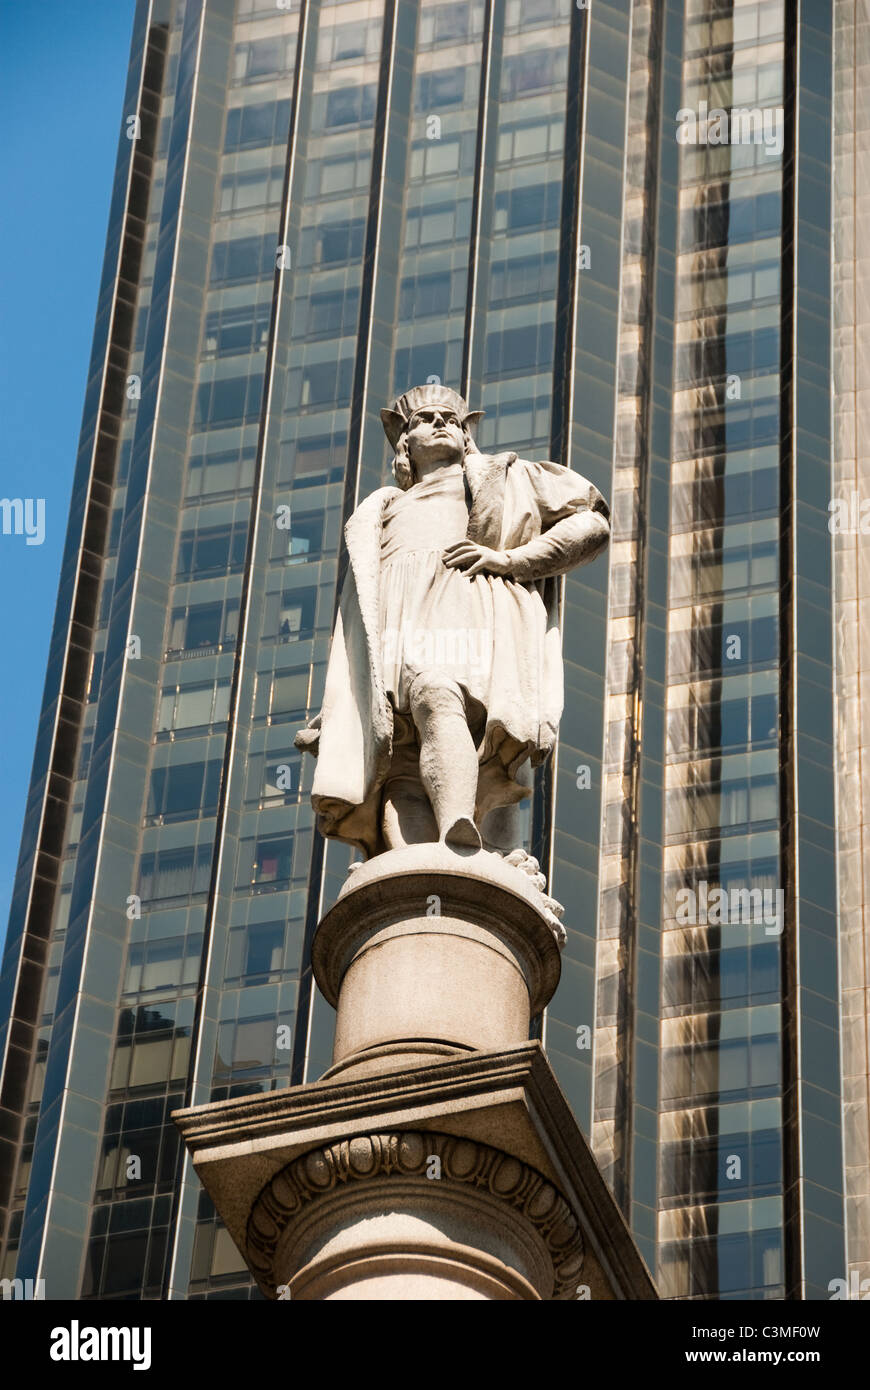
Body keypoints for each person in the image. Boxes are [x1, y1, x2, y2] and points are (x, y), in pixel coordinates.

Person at [295, 384, 610, 860]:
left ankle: (458, 832)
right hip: (393, 634)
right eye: (426, 418)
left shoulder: (506, 476)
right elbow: (360, 605)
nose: (441, 422)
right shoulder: (380, 509)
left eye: (452, 419)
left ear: (466, 436)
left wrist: (514, 560)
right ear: (405, 441)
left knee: (437, 692)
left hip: (466, 619)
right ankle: (416, 864)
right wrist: (345, 695)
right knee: (397, 761)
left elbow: (592, 522)